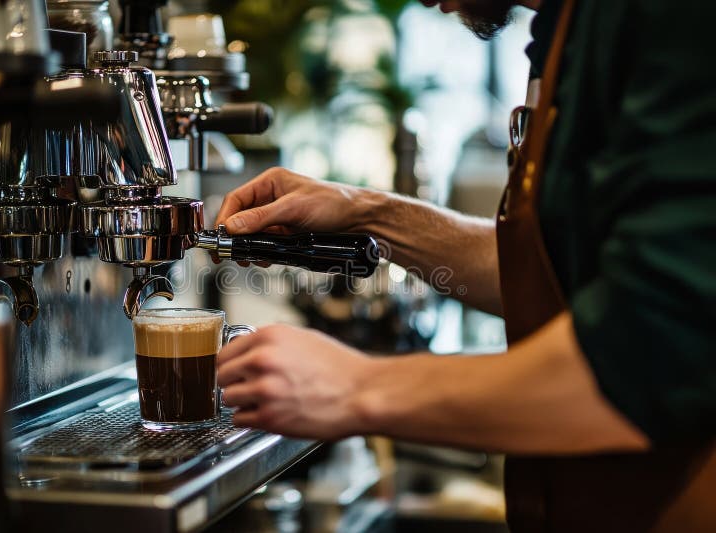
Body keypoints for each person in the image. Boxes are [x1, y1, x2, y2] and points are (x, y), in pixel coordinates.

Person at [214, 1, 716, 531]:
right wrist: (368, 213)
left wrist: (353, 387)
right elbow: (548, 272)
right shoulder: (565, 32)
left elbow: (647, 357)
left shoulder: (672, 18)